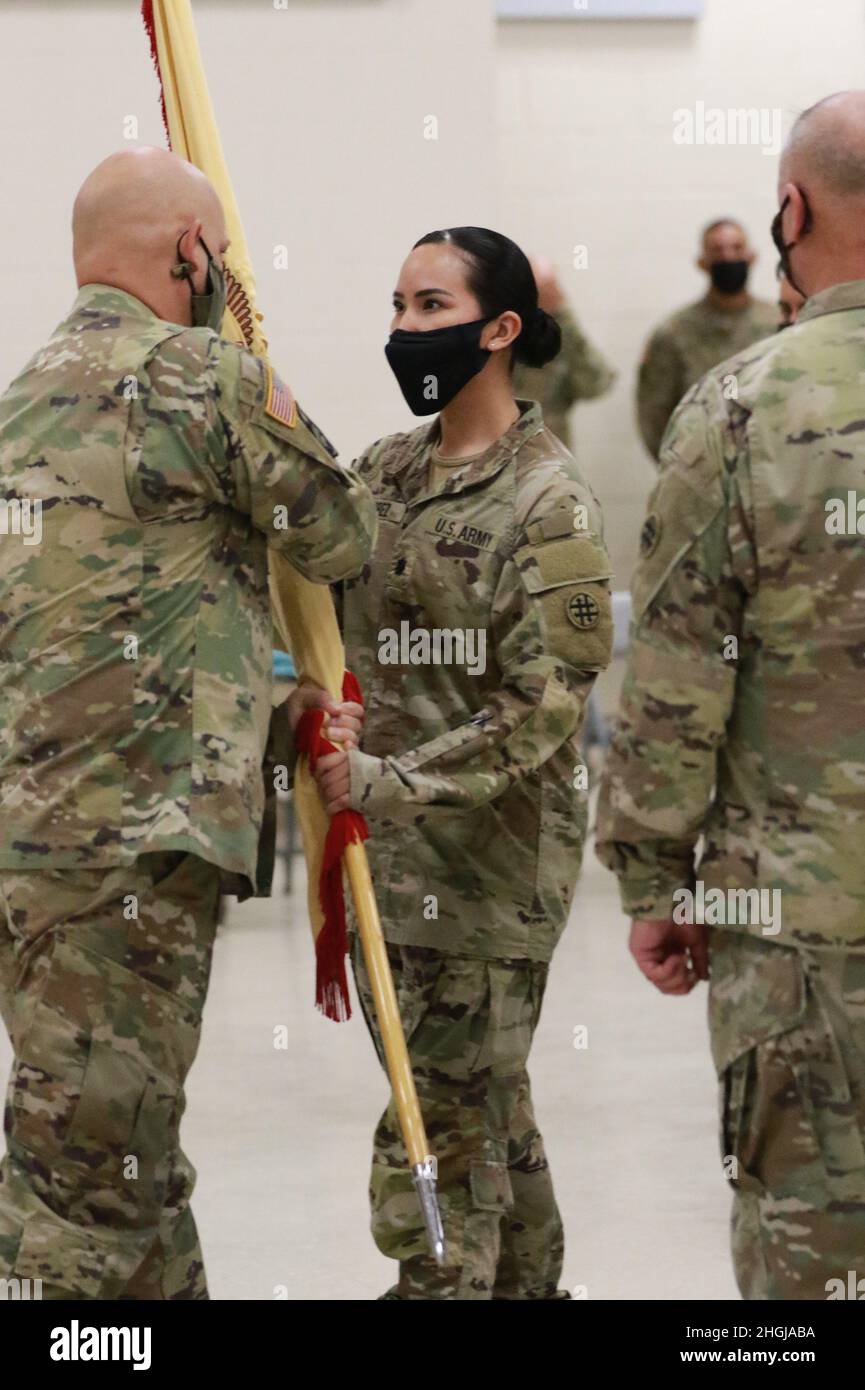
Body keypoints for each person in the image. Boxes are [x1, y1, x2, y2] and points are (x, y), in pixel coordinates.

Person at [0, 146, 375, 1299]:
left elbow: (110, 618)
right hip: (138, 842)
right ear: (191, 253)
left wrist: (269, 696)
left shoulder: (16, 408)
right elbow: (342, 535)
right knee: (90, 1177)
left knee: (122, 1149)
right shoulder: (197, 376)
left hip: (34, 841)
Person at [596, 91, 865, 1301]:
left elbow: (672, 682)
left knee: (810, 1251)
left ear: (789, 210)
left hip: (800, 935)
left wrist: (655, 881)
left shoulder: (744, 409)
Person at [314, 225, 613, 1300]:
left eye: (430, 307)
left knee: (434, 1129)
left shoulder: (548, 501)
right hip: (388, 865)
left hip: (485, 876)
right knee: (486, 1109)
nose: (403, 328)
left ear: (500, 328)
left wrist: (391, 780)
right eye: (396, 304)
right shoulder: (386, 473)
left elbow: (542, 707)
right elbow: (311, 573)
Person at [636, 218, 778, 460]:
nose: (728, 257)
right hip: (699, 474)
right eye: (718, 250)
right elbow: (654, 416)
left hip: (769, 470)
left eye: (736, 248)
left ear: (752, 256)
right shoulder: (673, 333)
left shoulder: (778, 324)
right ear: (702, 263)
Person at [512, 254, 616, 450]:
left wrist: (562, 317)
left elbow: (597, 385)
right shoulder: (489, 338)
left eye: (544, 290)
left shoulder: (561, 340)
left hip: (549, 463)